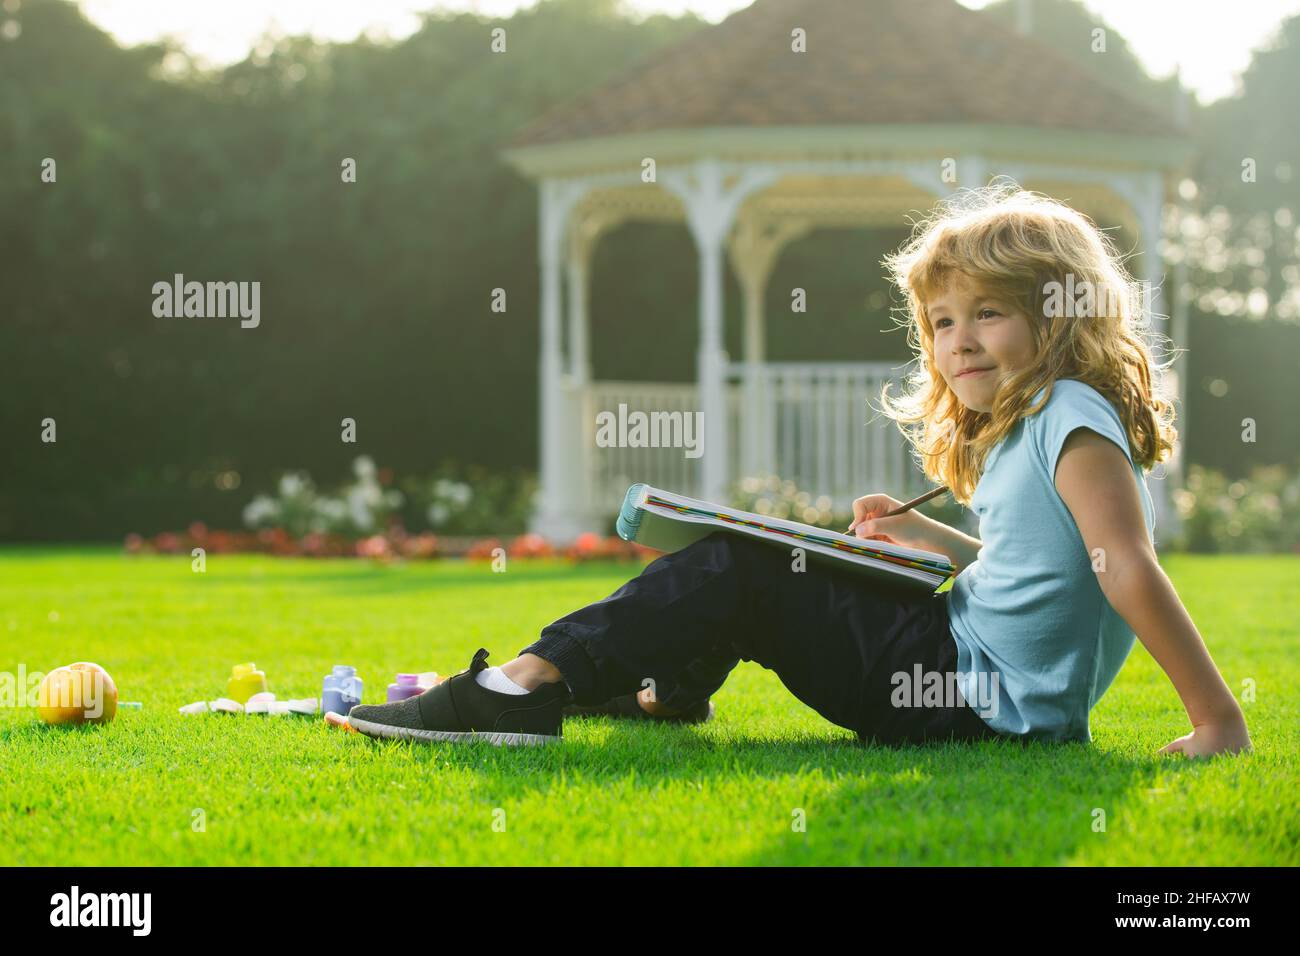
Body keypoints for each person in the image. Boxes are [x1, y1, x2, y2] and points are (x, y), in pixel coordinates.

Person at [347, 181, 1251, 759]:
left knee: (746, 564)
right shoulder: (1033, 423)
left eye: (988, 314)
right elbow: (1036, 575)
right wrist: (922, 536)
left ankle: (520, 688)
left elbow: (1121, 566)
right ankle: (662, 690)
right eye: (940, 321)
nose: (958, 340)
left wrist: (1218, 721)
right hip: (963, 674)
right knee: (775, 557)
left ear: (1059, 316)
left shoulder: (1069, 415)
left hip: (967, 700)